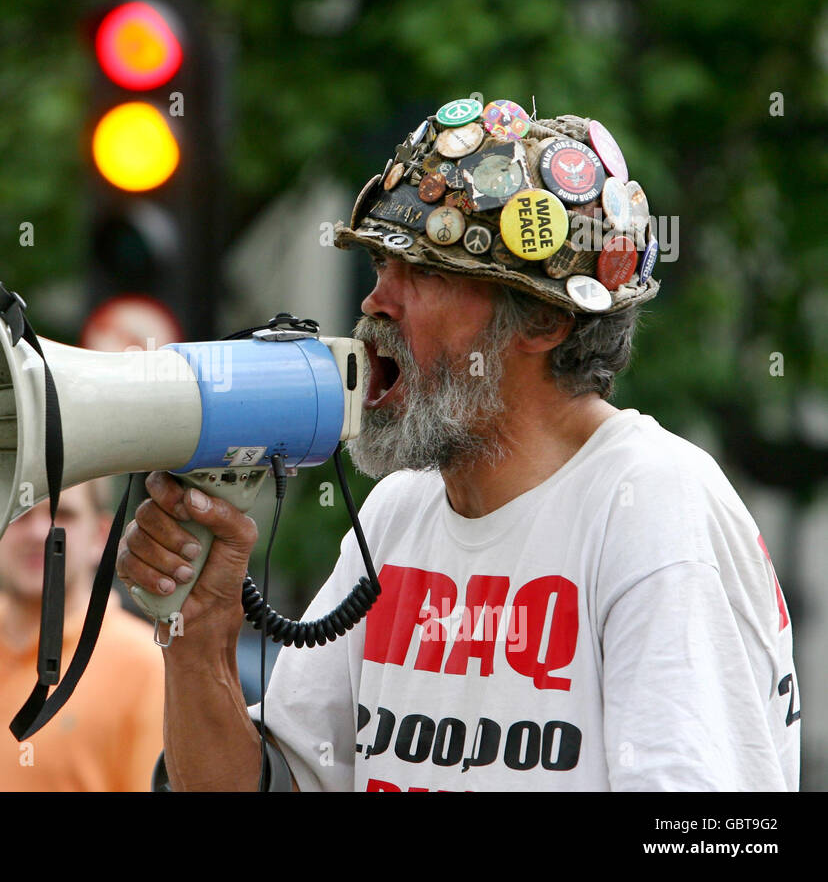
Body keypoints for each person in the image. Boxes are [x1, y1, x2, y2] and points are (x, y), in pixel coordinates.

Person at [117, 102, 801, 791]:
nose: (375, 303)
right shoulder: (395, 514)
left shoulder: (652, 506)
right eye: (382, 265)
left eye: (426, 272)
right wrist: (200, 636)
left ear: (543, 319)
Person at [0, 479, 164, 791]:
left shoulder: (148, 670)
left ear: (100, 536)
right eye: (20, 514)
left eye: (64, 515)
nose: (39, 532)